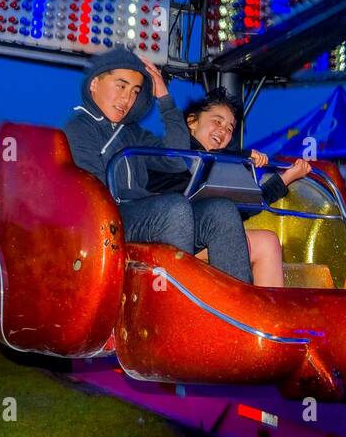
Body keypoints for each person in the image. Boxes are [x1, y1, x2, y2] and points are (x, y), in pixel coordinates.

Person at [62, 48, 255, 283]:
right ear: (94, 84)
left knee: (221, 210)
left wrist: (164, 98)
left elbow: (175, 159)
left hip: (142, 216)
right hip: (107, 221)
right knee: (174, 207)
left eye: (135, 91)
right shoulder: (79, 127)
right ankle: (180, 301)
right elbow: (93, 195)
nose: (127, 99)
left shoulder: (133, 133)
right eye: (120, 86)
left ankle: (233, 302)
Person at [145, 88, 311, 287]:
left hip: (206, 236)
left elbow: (245, 205)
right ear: (192, 122)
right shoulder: (172, 153)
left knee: (267, 242)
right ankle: (237, 307)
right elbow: (183, 183)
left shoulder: (220, 165)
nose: (224, 130)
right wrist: (239, 157)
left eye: (230, 128)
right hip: (169, 239)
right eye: (217, 121)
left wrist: (286, 178)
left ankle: (264, 315)